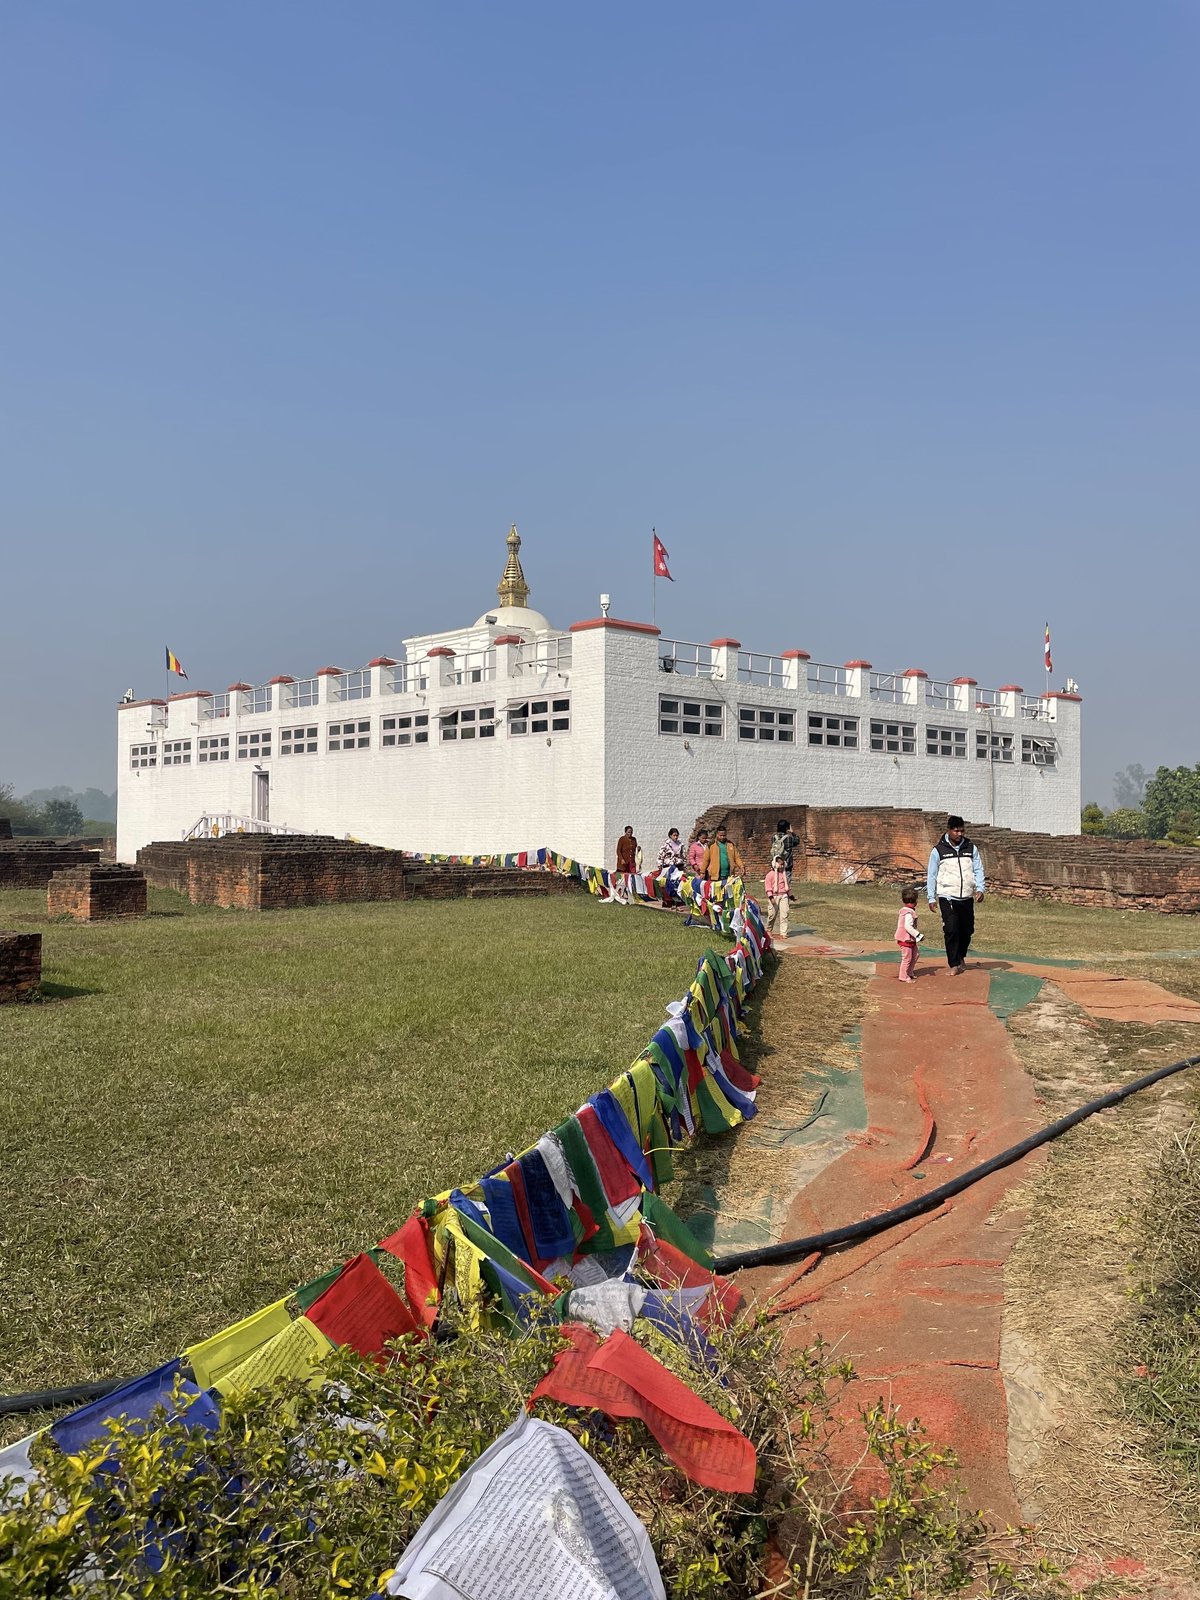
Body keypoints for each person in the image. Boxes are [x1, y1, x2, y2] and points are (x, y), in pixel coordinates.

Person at [927, 815, 985, 973]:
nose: (960, 834)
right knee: (951, 929)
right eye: (956, 831)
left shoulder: (970, 848)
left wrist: (980, 888)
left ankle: (960, 956)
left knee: (967, 930)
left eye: (962, 831)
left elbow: (978, 869)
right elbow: (931, 875)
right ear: (949, 830)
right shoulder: (938, 850)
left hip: (966, 896)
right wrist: (931, 897)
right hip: (947, 895)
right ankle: (953, 964)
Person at [895, 886, 924, 983]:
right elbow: (908, 926)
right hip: (905, 939)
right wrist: (918, 935)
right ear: (915, 901)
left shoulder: (908, 911)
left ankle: (909, 972)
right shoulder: (908, 913)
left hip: (910, 939)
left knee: (915, 955)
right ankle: (903, 976)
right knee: (907, 957)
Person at [764, 854, 791, 939]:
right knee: (772, 915)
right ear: (774, 864)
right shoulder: (770, 875)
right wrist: (771, 897)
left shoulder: (784, 874)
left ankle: (783, 932)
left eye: (783, 864)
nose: (781, 866)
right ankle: (768, 930)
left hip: (783, 896)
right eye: (780, 864)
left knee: (784, 914)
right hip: (774, 896)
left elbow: (787, 886)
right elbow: (768, 887)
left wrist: (791, 896)